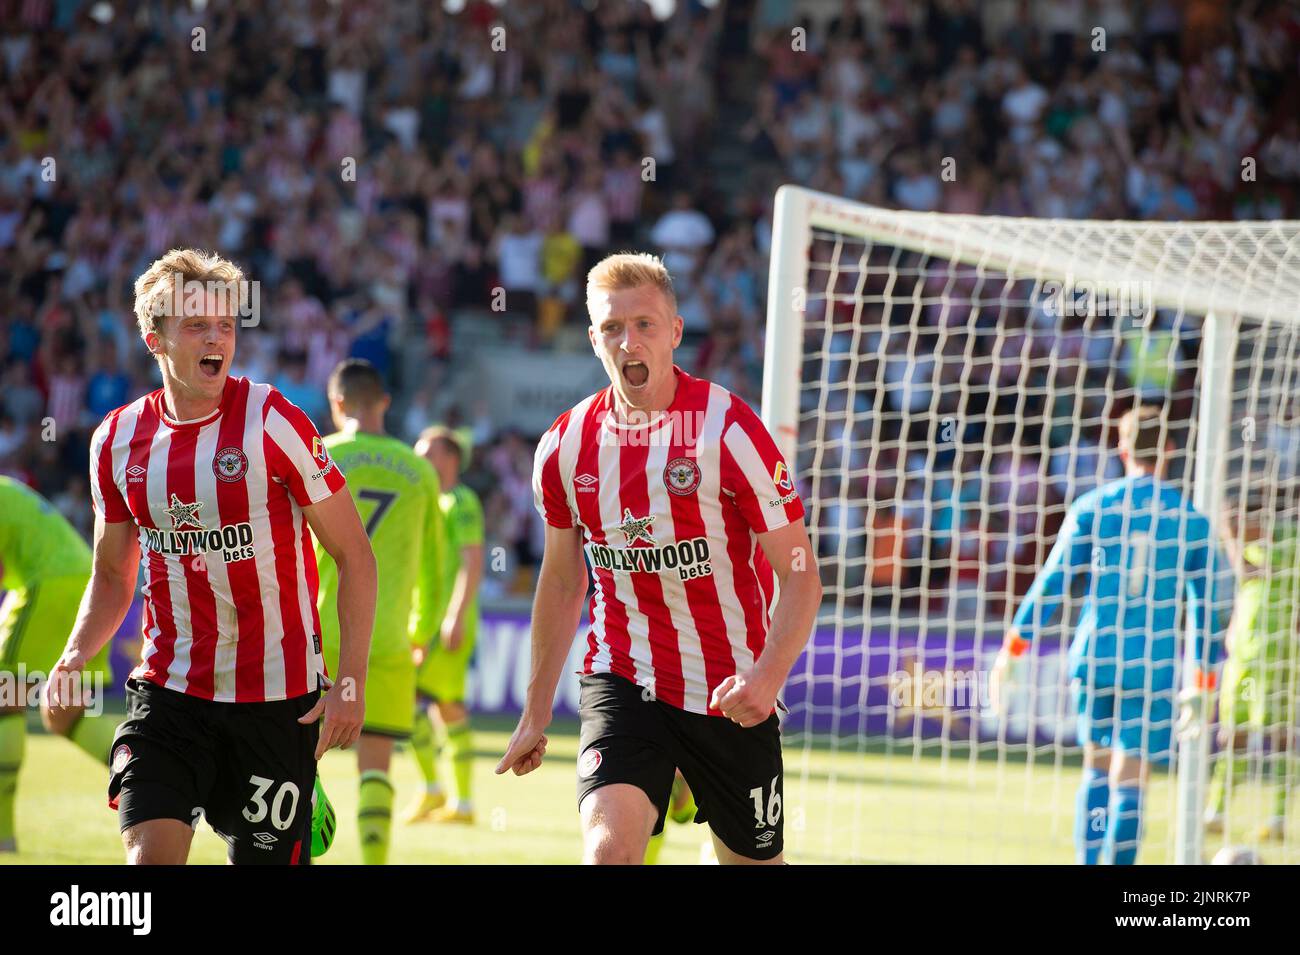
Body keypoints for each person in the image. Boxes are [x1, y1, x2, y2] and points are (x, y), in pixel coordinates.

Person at [46, 249, 376, 865]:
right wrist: (74, 654)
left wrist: (350, 681)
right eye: (197, 325)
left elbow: (355, 555)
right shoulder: (116, 441)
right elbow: (114, 573)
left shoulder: (274, 421)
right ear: (156, 339)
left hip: (278, 703)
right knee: (147, 862)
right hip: (170, 694)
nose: (216, 338)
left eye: (226, 325)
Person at [497, 252, 823, 865]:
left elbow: (801, 574)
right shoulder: (565, 446)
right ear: (594, 339)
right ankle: (662, 782)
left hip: (728, 688)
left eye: (645, 324)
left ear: (675, 332)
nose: (630, 341)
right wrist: (535, 711)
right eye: (613, 328)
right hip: (624, 676)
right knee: (608, 853)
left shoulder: (730, 429)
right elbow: (564, 580)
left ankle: (683, 785)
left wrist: (768, 677)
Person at [993, 404, 1230, 865]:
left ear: (1121, 449)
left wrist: (1015, 647)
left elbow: (1053, 581)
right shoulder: (1191, 521)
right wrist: (1202, 681)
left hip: (1096, 656)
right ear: (1170, 449)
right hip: (1152, 663)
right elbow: (1207, 608)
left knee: (1096, 768)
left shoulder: (1093, 507)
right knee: (1131, 777)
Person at [315, 358, 445, 863]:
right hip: (387, 637)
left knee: (294, 763)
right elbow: (438, 566)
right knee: (376, 767)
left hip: (317, 633)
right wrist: (422, 630)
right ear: (385, 402)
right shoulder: (419, 470)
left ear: (337, 402)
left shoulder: (316, 455)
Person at [0, 477, 117, 852]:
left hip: (47, 584)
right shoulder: (7, 488)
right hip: (85, 586)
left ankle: (2, 835)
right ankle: (155, 780)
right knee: (63, 713)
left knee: (5, 693)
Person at [1206, 493, 1298, 841]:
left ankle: (1275, 817)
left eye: (1242, 522)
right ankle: (1219, 810)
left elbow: (1246, 567)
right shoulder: (1259, 549)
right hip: (1250, 655)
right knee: (1237, 733)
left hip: (1273, 656)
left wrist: (1231, 539)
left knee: (1276, 736)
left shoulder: (1281, 546)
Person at [404, 426, 483, 825]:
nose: (420, 459)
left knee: (419, 703)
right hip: (424, 622)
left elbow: (472, 561)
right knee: (441, 710)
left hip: (447, 623)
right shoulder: (430, 502)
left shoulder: (461, 500)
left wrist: (454, 615)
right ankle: (454, 801)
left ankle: (444, 794)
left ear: (450, 459)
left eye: (427, 453)